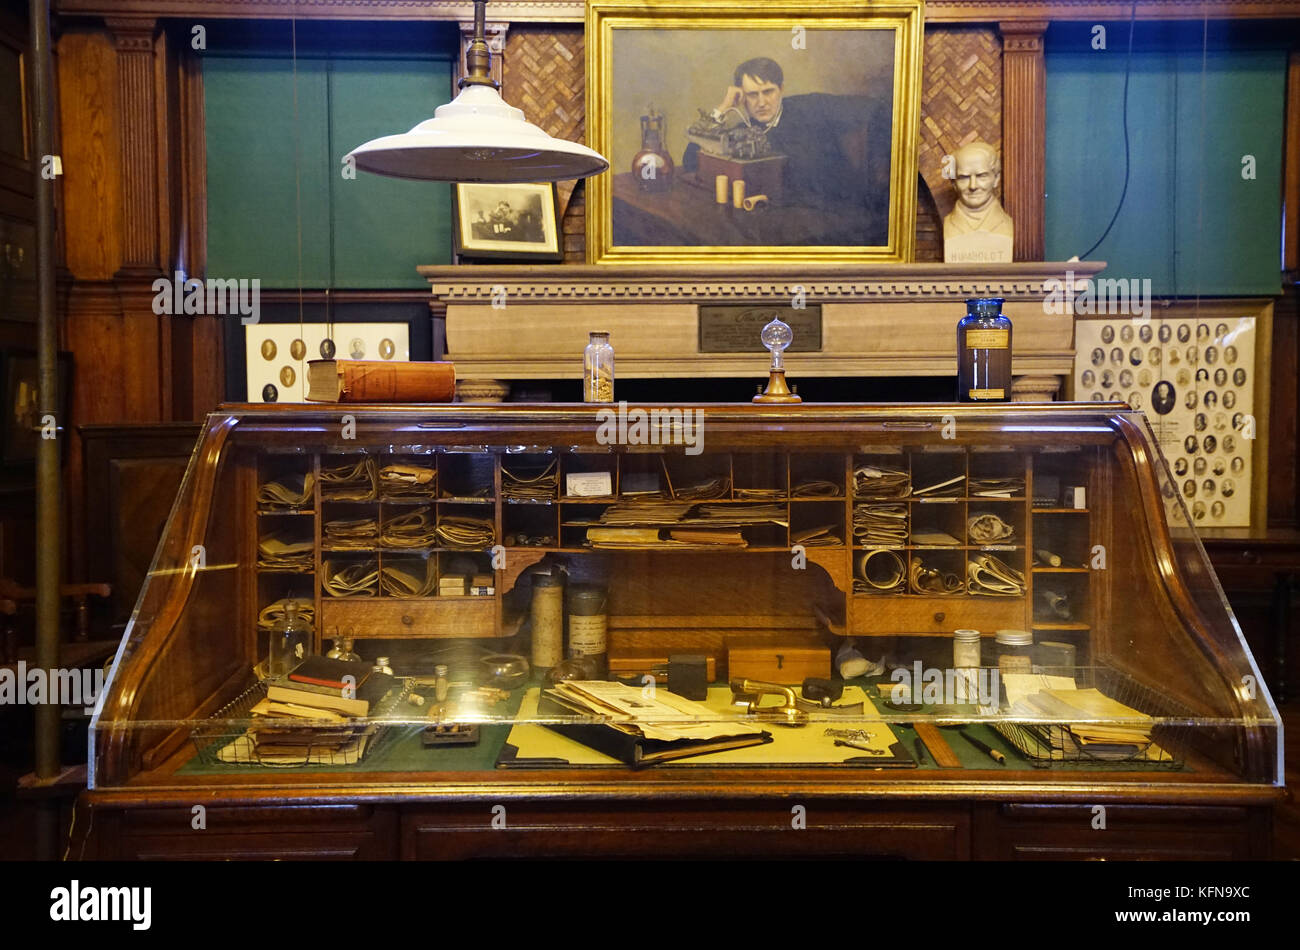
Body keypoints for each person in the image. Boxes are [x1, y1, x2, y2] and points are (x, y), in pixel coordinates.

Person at [685, 57, 890, 227]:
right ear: (742, 97)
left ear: (781, 89)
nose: (762, 102)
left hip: (833, 214)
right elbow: (690, 160)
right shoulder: (743, 131)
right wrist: (723, 107)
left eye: (768, 92)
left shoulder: (810, 107)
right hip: (777, 219)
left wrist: (878, 164)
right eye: (752, 95)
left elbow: (876, 109)